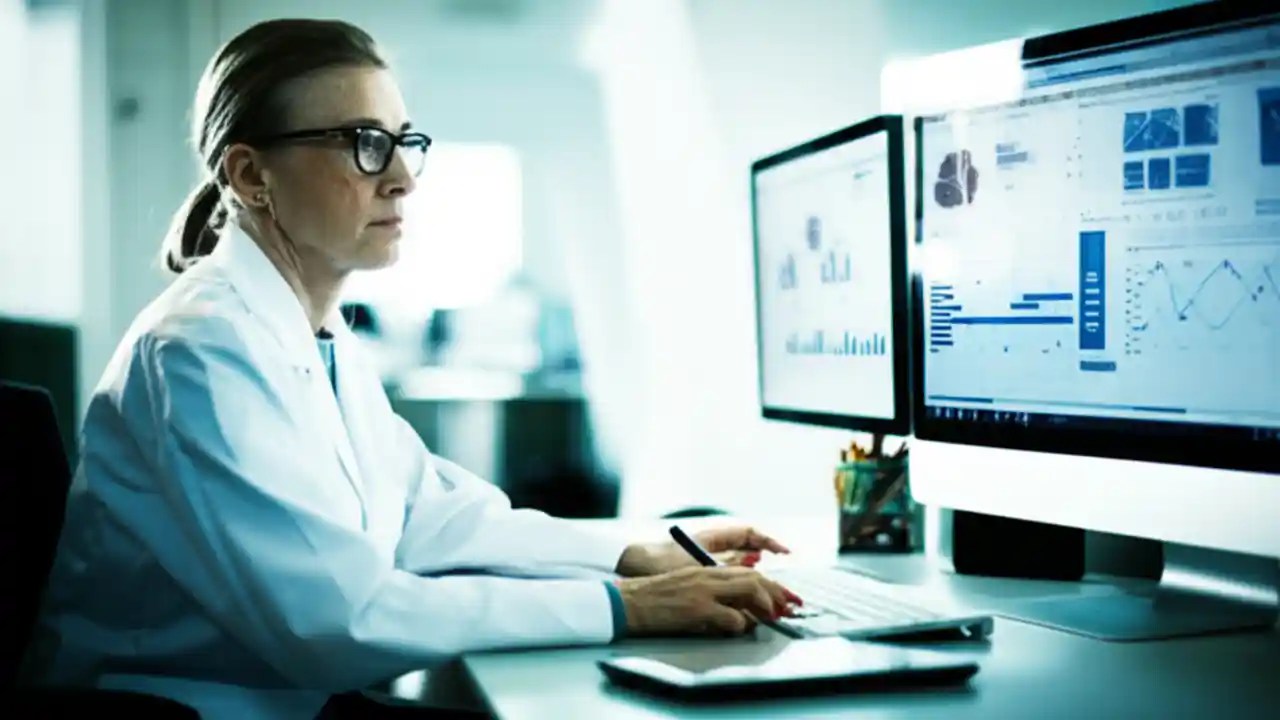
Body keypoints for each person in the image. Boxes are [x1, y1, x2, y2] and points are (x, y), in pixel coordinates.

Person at [24, 18, 801, 720]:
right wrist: (626, 607)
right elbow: (338, 620)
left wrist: (638, 551)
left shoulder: (315, 334)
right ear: (251, 175)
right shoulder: (200, 350)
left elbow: (431, 516)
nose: (402, 176)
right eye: (364, 143)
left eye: (404, 141)